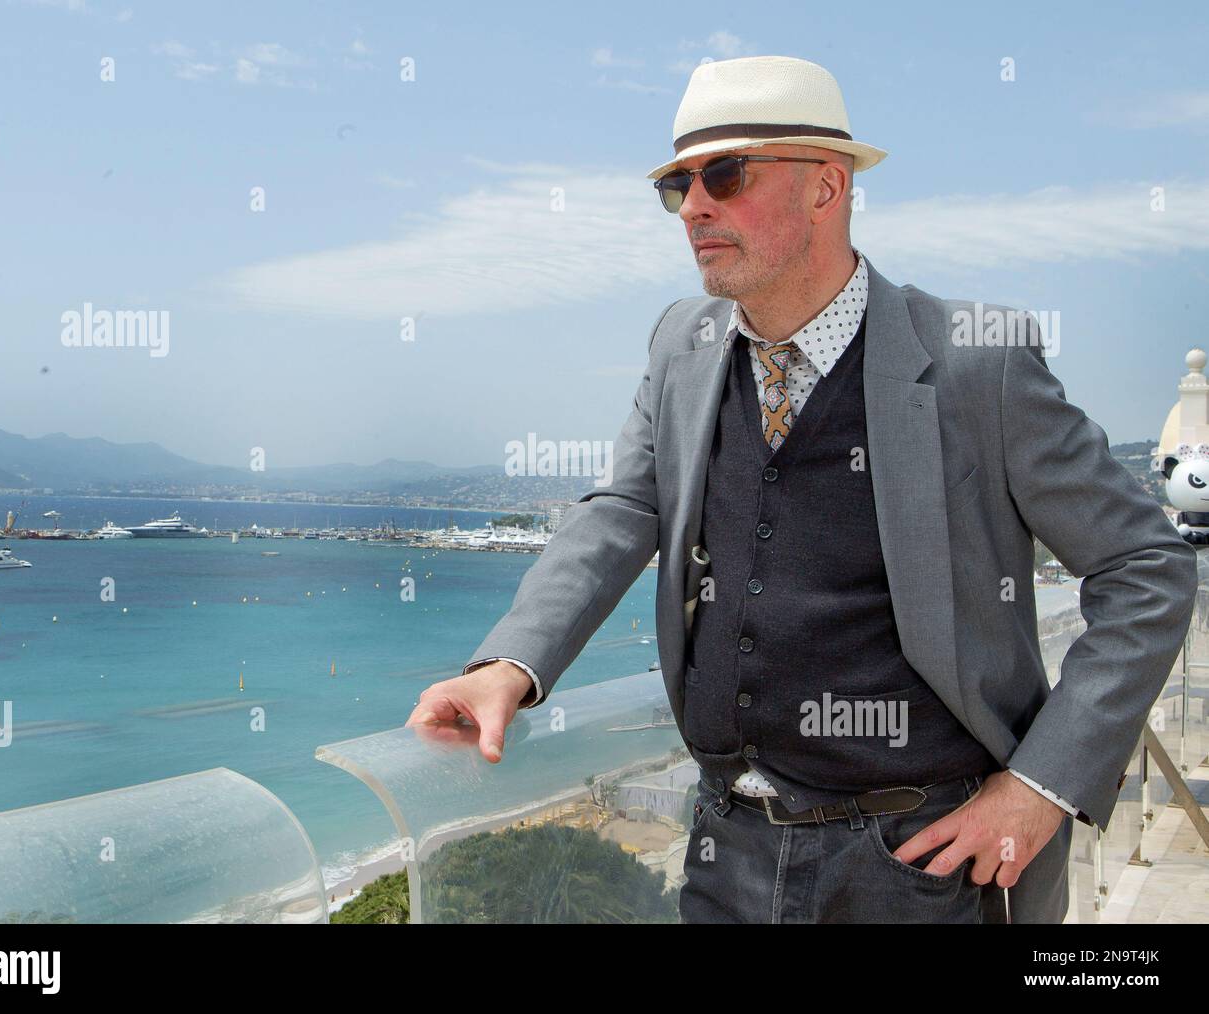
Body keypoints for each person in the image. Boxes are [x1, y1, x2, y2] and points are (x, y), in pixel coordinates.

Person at [405, 55, 1198, 923]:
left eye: (726, 173)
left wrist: (1042, 785)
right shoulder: (682, 344)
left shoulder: (979, 362)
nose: (694, 206)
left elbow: (1147, 569)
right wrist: (511, 663)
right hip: (726, 851)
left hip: (926, 864)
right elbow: (625, 509)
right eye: (678, 183)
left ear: (827, 187)